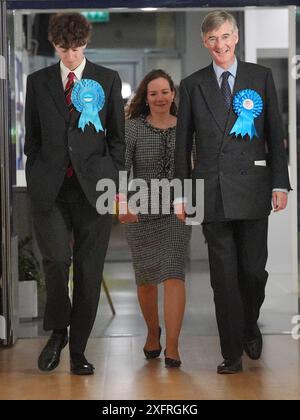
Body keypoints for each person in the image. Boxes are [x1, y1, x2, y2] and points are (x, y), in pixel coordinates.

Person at [174, 10, 291, 374]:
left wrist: (279, 182)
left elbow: (275, 132)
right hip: (212, 192)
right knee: (222, 278)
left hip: (254, 189)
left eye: (225, 36)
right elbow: (183, 144)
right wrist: (181, 194)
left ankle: (248, 323)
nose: (220, 45)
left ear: (236, 37)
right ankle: (232, 353)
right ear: (204, 42)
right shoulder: (192, 84)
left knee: (253, 271)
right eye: (212, 39)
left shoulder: (261, 76)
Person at [25, 13, 124, 375]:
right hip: (49, 189)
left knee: (88, 268)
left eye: (77, 48)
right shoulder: (37, 83)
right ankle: (57, 333)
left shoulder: (107, 80)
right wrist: (36, 173)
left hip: (93, 189)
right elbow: (31, 140)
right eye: (65, 48)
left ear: (87, 42)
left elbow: (117, 139)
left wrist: (111, 177)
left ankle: (79, 349)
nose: (71, 55)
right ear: (54, 44)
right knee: (55, 261)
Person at [120, 70, 191, 367]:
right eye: (153, 93)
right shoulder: (133, 128)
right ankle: (153, 333)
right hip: (141, 210)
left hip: (177, 210)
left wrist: (189, 200)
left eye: (165, 92)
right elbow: (121, 167)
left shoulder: (187, 127)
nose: (160, 98)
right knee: (147, 279)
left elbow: (195, 165)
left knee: (174, 274)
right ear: (145, 98)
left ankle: (173, 347)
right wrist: (121, 204)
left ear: (173, 94)